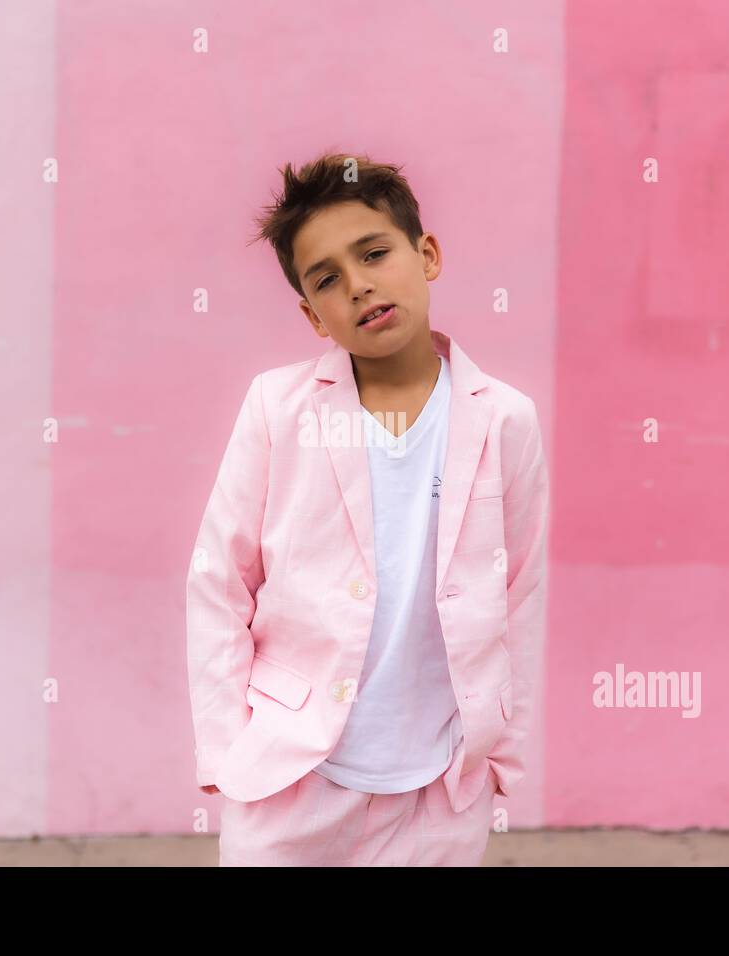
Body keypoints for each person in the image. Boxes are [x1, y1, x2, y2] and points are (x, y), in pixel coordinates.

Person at [186, 152, 549, 866]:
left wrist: (498, 750)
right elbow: (218, 583)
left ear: (427, 254)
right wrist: (229, 749)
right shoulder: (277, 409)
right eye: (327, 279)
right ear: (312, 314)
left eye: (374, 253)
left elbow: (521, 591)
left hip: (438, 786)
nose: (359, 285)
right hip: (292, 774)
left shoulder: (505, 419)